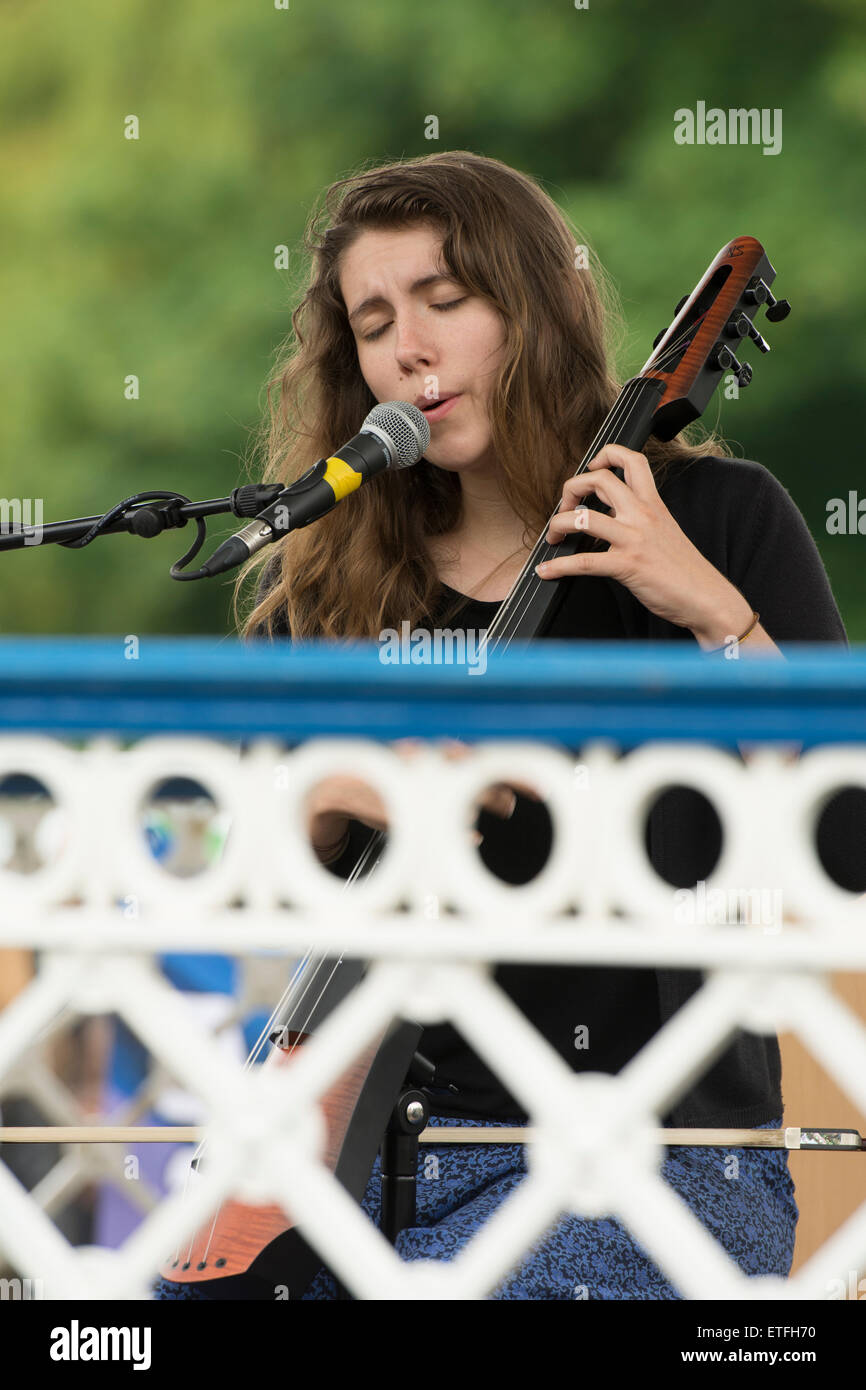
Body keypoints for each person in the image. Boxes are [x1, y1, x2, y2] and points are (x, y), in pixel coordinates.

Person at [159, 150, 857, 1300]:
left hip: (654, 1166)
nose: (408, 349)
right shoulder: (328, 594)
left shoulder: (720, 521)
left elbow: (848, 837)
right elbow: (237, 884)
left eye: (446, 301)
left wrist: (707, 611)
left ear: (529, 309)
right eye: (373, 321)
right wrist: (339, 792)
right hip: (352, 1157)